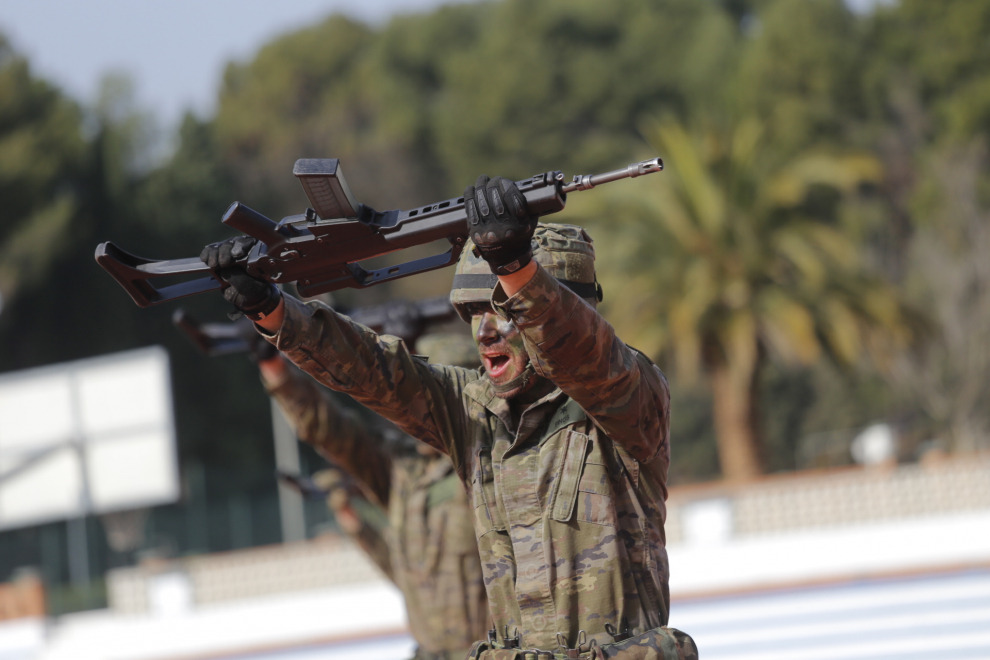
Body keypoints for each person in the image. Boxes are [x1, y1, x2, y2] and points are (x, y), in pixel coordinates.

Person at [202, 174, 697, 658]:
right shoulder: (474, 414)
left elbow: (586, 354)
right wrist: (273, 311)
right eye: (473, 312)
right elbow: (376, 371)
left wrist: (518, 269)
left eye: (504, 309)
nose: (484, 332)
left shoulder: (629, 401)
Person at [259, 340, 489, 660]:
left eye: (437, 395)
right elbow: (333, 431)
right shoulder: (403, 473)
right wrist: (275, 367)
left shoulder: (492, 468)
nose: (422, 406)